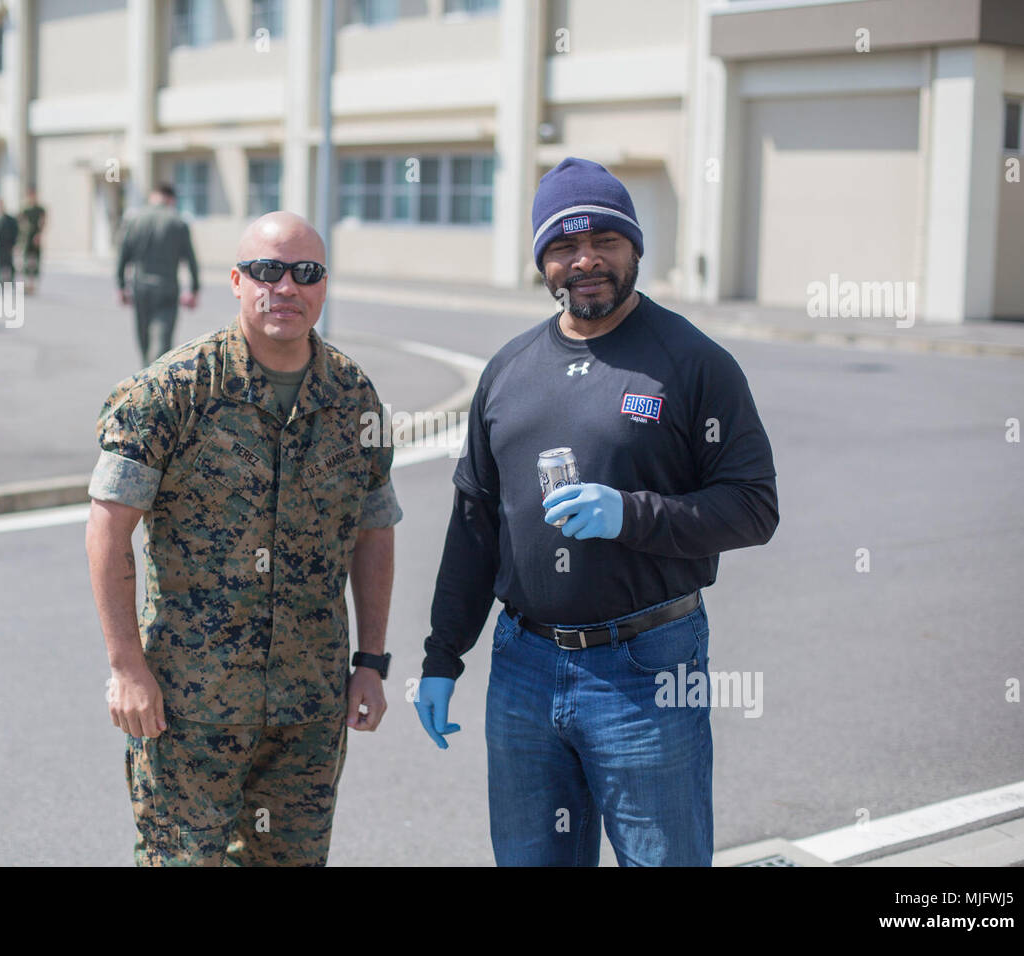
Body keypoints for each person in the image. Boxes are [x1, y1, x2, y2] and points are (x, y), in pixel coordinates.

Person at [414, 157, 779, 867]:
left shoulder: (693, 363)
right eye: (562, 246)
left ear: (635, 247)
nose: (585, 261)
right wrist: (440, 655)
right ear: (541, 264)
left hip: (647, 667)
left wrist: (631, 514)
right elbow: (474, 528)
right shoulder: (509, 371)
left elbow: (753, 507)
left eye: (604, 241)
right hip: (523, 664)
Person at [86, 211, 402, 866]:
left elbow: (374, 529)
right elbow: (108, 528)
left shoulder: (354, 398)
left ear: (322, 286)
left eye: (306, 273)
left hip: (308, 709)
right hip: (186, 707)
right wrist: (126, 667)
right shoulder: (170, 393)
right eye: (267, 270)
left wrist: (370, 662)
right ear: (236, 280)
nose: (285, 287)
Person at [115, 183, 200, 366]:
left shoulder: (135, 220)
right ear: (171, 199)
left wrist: (121, 286)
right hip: (167, 287)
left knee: (143, 336)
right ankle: (155, 377)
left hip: (140, 286)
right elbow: (191, 259)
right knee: (163, 337)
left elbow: (123, 255)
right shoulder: (178, 222)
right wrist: (194, 289)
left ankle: (147, 374)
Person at [18, 188, 46, 294]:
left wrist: (39, 235)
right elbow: (20, 221)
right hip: (27, 239)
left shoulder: (40, 209)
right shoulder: (25, 209)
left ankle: (32, 284)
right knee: (26, 261)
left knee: (35, 262)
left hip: (36, 238)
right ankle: (26, 284)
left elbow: (43, 222)